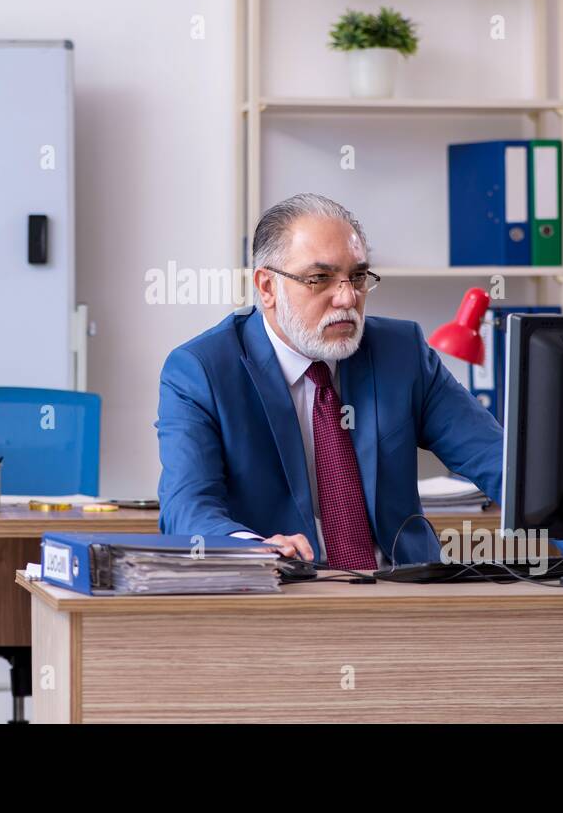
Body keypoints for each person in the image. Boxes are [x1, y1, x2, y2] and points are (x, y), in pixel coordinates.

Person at [155, 193, 536, 569]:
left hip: (405, 594)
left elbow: (496, 458)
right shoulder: (201, 370)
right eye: (319, 279)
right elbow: (185, 508)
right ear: (267, 287)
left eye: (357, 277)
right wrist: (255, 549)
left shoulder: (401, 352)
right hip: (283, 597)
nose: (347, 298)